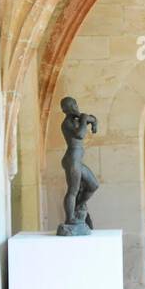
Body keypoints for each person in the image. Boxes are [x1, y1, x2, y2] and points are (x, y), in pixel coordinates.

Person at [58, 96, 99, 234]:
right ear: (65, 110)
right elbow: (80, 135)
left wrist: (93, 122)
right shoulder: (67, 123)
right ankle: (70, 218)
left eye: (74, 105)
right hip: (72, 160)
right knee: (73, 190)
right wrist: (84, 119)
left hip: (77, 161)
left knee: (94, 185)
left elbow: (93, 118)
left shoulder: (78, 119)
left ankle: (78, 205)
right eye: (71, 107)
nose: (75, 108)